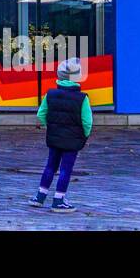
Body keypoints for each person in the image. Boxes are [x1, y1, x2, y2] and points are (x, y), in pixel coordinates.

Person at [30, 58, 92, 212]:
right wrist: (84, 136)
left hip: (54, 136)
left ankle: (40, 196)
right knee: (66, 169)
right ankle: (59, 199)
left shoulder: (50, 94)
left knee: (50, 166)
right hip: (72, 140)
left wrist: (50, 127)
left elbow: (41, 114)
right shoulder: (82, 98)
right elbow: (87, 122)